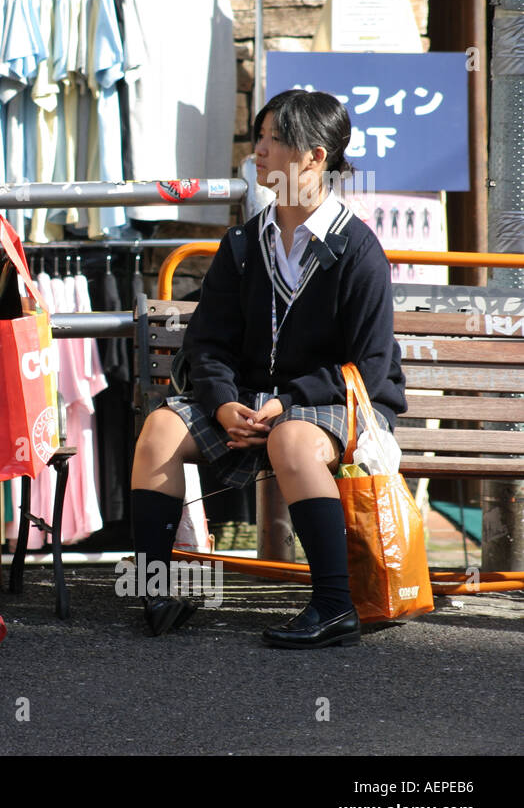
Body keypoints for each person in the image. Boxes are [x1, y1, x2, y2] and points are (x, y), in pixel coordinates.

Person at [129, 89, 405, 648]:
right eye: (260, 137)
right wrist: (223, 401)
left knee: (293, 441)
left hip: (339, 402)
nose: (259, 151)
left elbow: (372, 366)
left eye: (274, 139)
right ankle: (156, 589)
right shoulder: (243, 243)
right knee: (160, 428)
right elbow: (207, 344)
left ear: (315, 157)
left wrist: (288, 402)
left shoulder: (356, 248)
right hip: (252, 400)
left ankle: (334, 607)